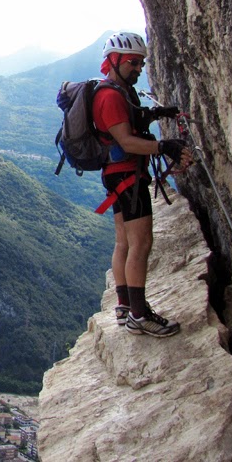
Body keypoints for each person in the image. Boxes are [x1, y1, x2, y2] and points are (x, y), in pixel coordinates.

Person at [92, 32, 192, 337]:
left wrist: (159, 113)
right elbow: (126, 140)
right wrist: (165, 147)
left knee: (124, 241)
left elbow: (132, 119)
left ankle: (124, 306)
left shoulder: (116, 91)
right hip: (128, 178)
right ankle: (139, 315)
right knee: (141, 243)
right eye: (133, 63)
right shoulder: (110, 96)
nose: (138, 68)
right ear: (115, 61)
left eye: (141, 63)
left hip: (118, 177)